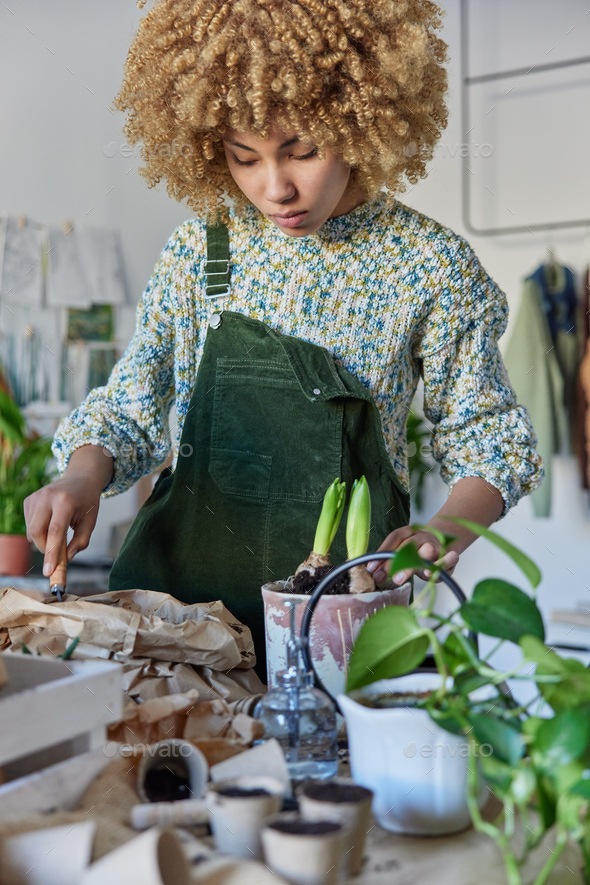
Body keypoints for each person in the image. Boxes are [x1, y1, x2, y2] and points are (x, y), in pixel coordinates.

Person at [24, 0, 542, 675]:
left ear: (363, 122)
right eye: (245, 158)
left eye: (304, 150)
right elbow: (132, 403)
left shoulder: (430, 266)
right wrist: (80, 474)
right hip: (185, 623)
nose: (276, 188)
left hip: (341, 618)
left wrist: (444, 529)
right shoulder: (200, 251)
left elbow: (488, 440)